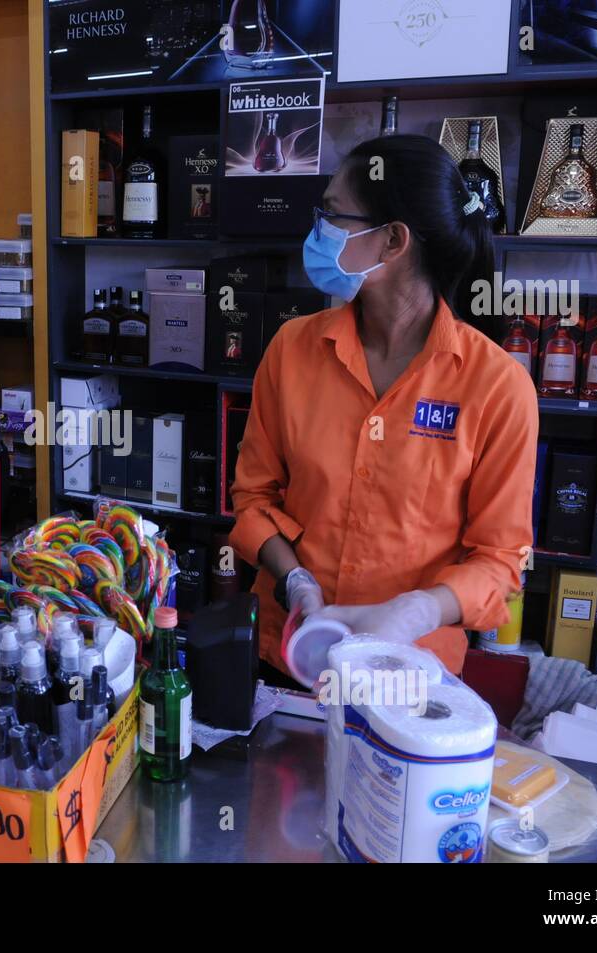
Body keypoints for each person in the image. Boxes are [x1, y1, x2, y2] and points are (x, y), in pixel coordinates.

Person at [229, 135, 538, 681]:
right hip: (290, 652)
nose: (317, 229)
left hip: (411, 671)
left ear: (392, 241)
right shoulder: (292, 350)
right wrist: (295, 580)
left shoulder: (498, 386)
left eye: (330, 214)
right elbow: (253, 498)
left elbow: (499, 561)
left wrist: (414, 611)